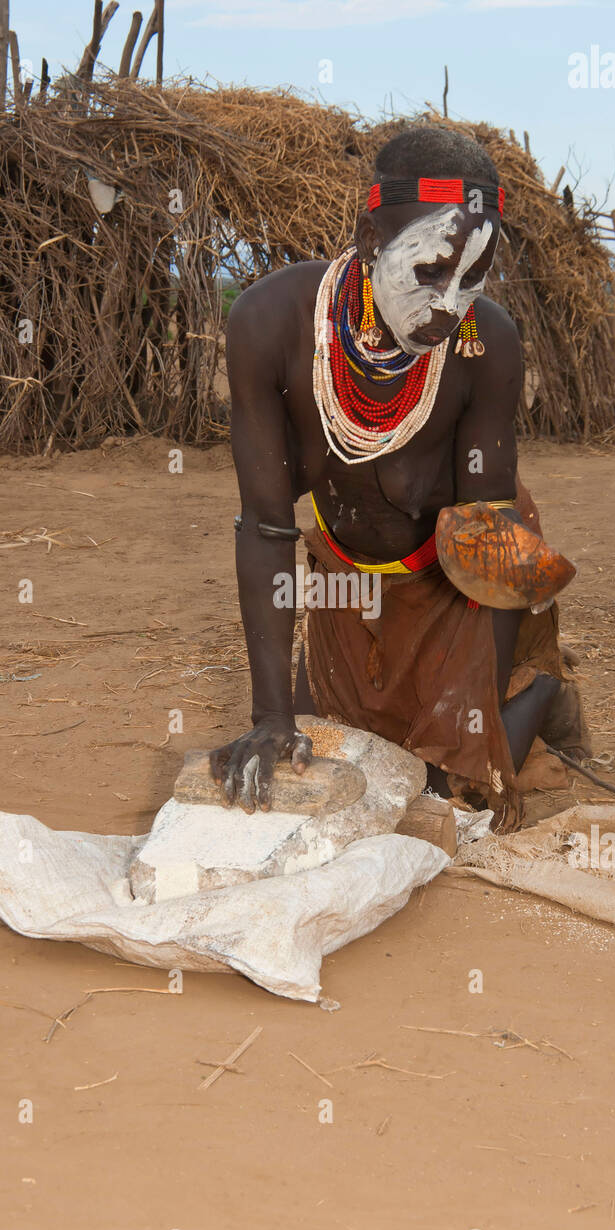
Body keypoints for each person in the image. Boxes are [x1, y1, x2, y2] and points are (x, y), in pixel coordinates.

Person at [210, 125, 588, 829]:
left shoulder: (487, 342)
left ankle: (535, 689)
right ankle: (504, 694)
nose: (448, 307)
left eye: (471, 279)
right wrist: (267, 718)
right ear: (367, 239)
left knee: (447, 782)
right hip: (351, 569)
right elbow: (265, 525)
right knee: (325, 749)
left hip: (464, 566)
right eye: (428, 272)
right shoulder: (270, 322)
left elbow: (486, 532)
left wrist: (479, 738)